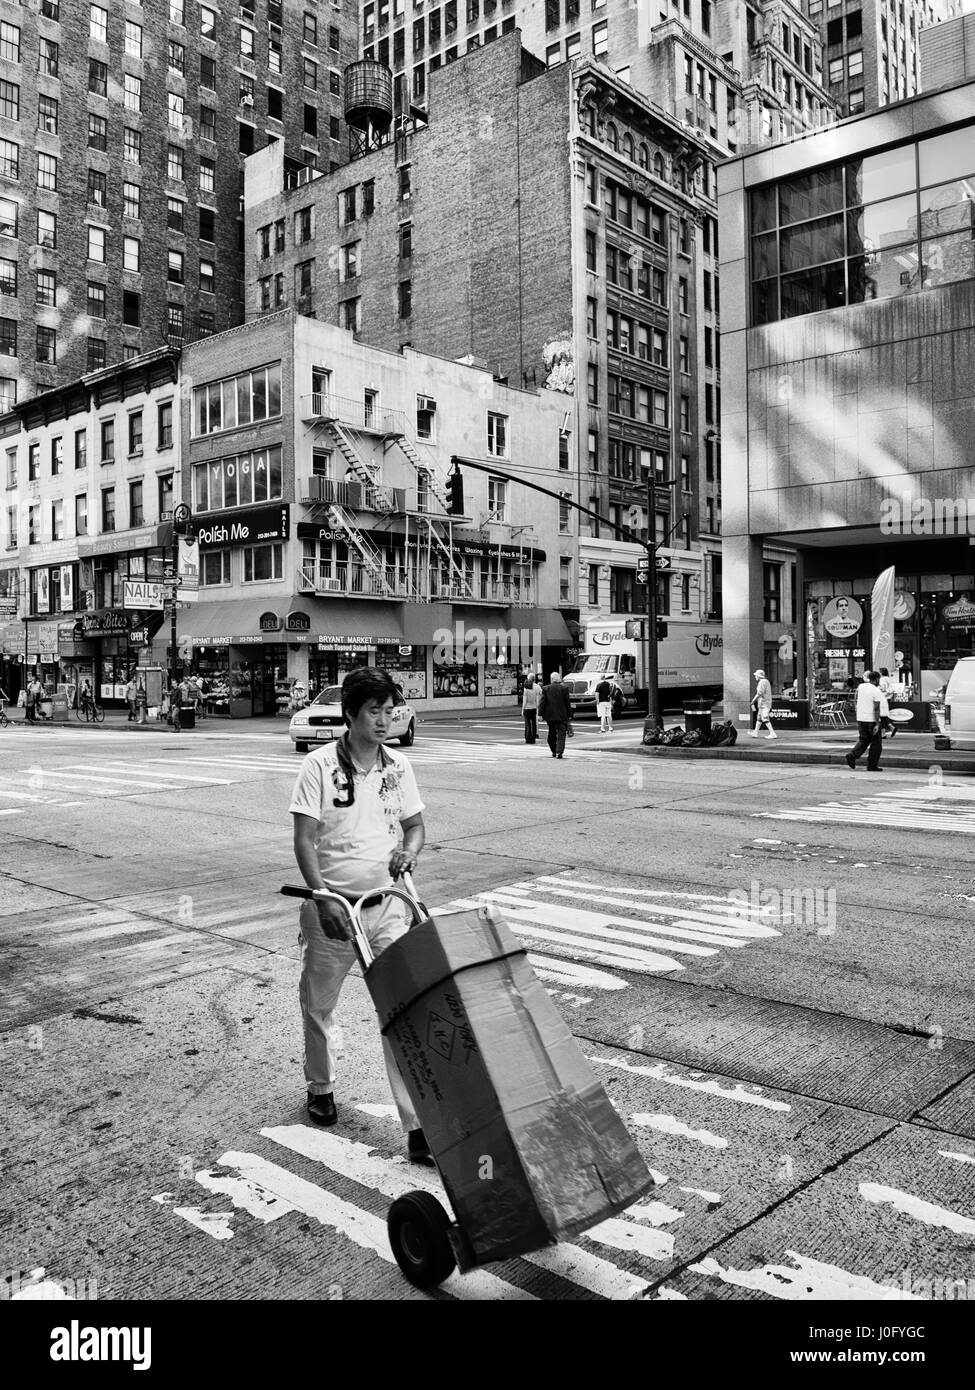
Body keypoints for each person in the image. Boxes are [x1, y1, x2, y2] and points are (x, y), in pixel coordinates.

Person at [289, 668, 431, 1162]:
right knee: (319, 1005)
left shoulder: (398, 766)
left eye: (390, 710)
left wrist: (408, 852)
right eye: (375, 710)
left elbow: (415, 827)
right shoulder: (319, 766)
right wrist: (321, 895)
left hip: (388, 907)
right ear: (351, 714)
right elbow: (304, 840)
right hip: (333, 911)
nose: (385, 719)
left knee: (400, 1013)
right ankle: (321, 1086)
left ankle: (417, 1126)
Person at [846, 670, 883, 771]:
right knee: (876, 744)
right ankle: (872, 765)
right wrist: (877, 723)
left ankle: (852, 755)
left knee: (864, 739)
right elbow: (876, 709)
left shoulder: (861, 687)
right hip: (871, 719)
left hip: (861, 718)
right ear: (876, 679)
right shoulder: (876, 691)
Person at [538, 671, 574, 759]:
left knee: (552, 733)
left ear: (552, 679)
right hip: (562, 715)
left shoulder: (546, 689)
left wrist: (540, 714)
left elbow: (542, 702)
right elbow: (567, 703)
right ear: (558, 679)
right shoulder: (564, 689)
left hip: (550, 716)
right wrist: (569, 714)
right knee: (561, 734)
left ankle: (554, 750)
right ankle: (559, 752)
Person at [749, 669, 777, 740]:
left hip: (765, 704)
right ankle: (755, 732)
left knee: (764, 718)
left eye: (756, 675)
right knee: (759, 718)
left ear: (759, 676)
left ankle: (772, 733)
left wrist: (753, 700)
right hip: (763, 704)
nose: (755, 677)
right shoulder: (765, 681)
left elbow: (759, 693)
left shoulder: (762, 682)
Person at [878, 668, 897, 738]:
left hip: (882, 699)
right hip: (887, 699)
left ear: (881, 673)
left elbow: (882, 688)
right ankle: (888, 730)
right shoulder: (889, 679)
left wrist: (884, 693)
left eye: (879, 672)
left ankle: (885, 731)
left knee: (881, 715)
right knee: (883, 715)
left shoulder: (882, 679)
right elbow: (892, 689)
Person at [521, 674, 540, 743]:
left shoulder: (526, 691)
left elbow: (524, 701)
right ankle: (533, 738)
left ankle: (528, 738)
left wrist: (522, 709)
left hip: (527, 709)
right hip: (534, 708)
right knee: (534, 724)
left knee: (528, 724)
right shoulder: (535, 690)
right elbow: (537, 700)